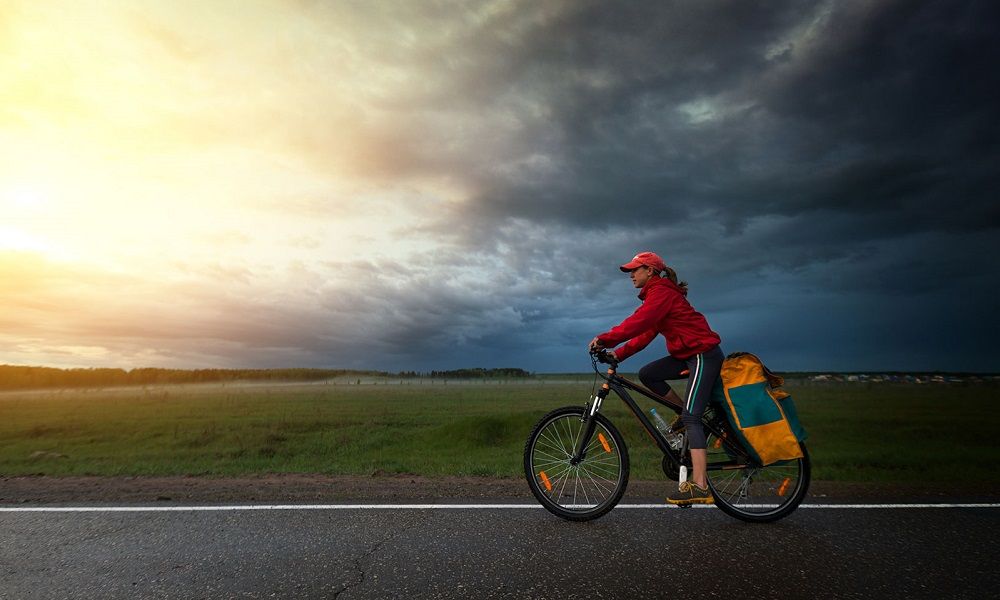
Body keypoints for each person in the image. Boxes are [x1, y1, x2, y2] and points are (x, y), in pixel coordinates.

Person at [589, 251, 723, 505]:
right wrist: (617, 355)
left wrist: (605, 338)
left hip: (703, 355)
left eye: (635, 269)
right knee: (648, 374)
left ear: (650, 270)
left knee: (692, 417)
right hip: (687, 355)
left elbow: (638, 323)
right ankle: (684, 416)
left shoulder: (662, 293)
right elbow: (646, 334)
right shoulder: (657, 296)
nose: (631, 275)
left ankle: (700, 485)